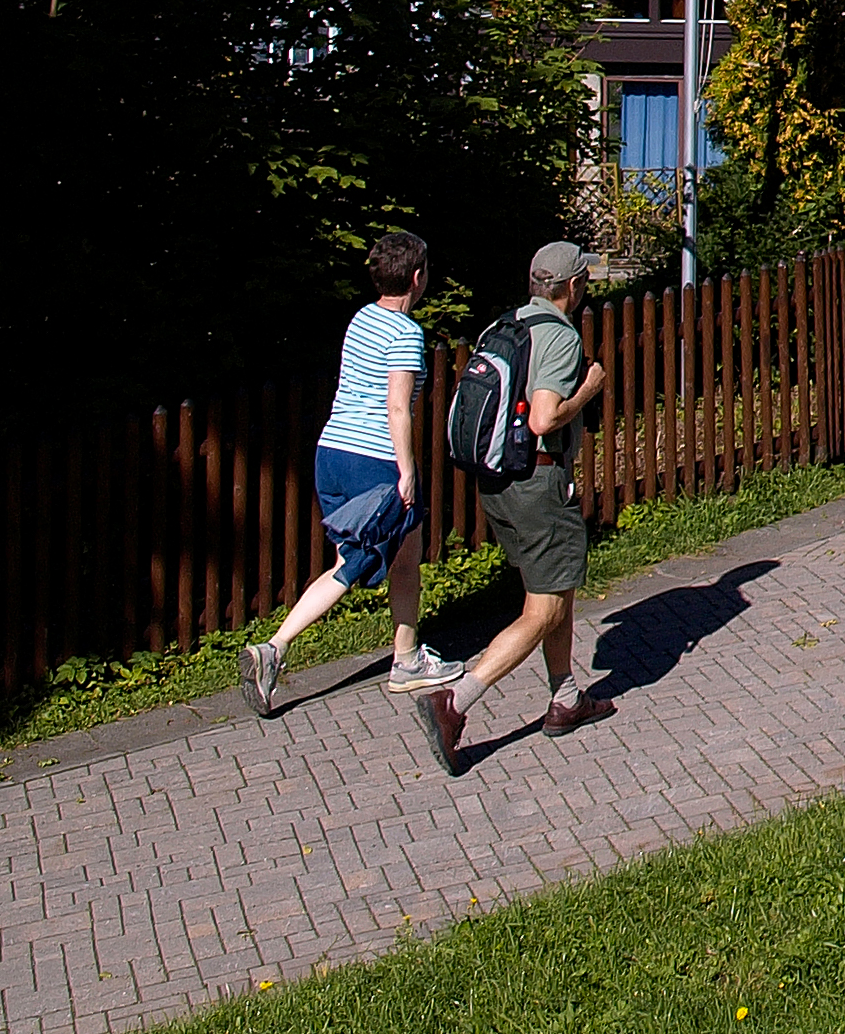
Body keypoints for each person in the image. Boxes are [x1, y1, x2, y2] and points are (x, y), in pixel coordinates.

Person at [240, 232, 466, 716]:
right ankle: (274, 649)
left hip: (333, 453)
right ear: (417, 277)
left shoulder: (362, 319)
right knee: (356, 563)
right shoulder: (406, 333)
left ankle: (407, 657)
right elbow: (397, 408)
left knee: (404, 553)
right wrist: (406, 472)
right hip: (376, 462)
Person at [416, 241, 613, 772]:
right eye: (584, 282)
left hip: (498, 483)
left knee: (554, 588)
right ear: (572, 286)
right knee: (544, 608)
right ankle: (455, 702)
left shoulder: (504, 326)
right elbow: (544, 420)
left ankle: (565, 697)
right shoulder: (558, 337)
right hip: (537, 485)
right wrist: (589, 389)